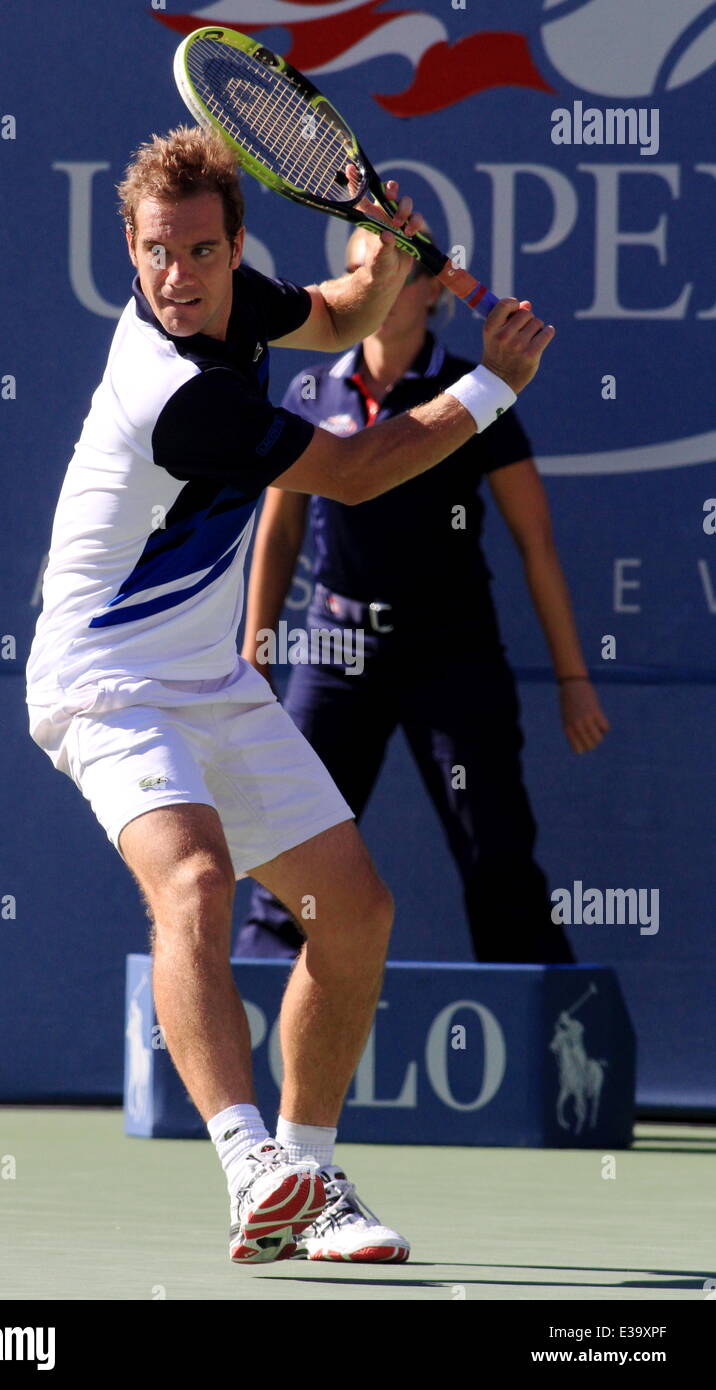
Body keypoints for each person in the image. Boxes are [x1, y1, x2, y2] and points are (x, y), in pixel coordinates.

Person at [25, 127, 555, 1266]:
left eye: (202, 252)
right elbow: (358, 471)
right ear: (130, 244)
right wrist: (490, 387)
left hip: (206, 675)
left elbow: (342, 315)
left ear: (231, 249)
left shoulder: (232, 301)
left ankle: (306, 1180)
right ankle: (245, 1158)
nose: (179, 276)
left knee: (353, 914)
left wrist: (378, 260)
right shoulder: (172, 390)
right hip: (106, 678)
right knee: (198, 879)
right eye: (157, 252)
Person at [236, 232, 609, 963]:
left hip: (452, 652)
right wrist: (254, 655)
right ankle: (244, 1056)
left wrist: (573, 678)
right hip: (335, 650)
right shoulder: (311, 392)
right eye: (357, 273)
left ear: (436, 289)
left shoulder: (479, 386)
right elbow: (276, 539)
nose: (377, 287)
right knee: (290, 867)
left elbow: (537, 544)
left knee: (497, 859)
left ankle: (545, 1053)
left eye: (397, 273)